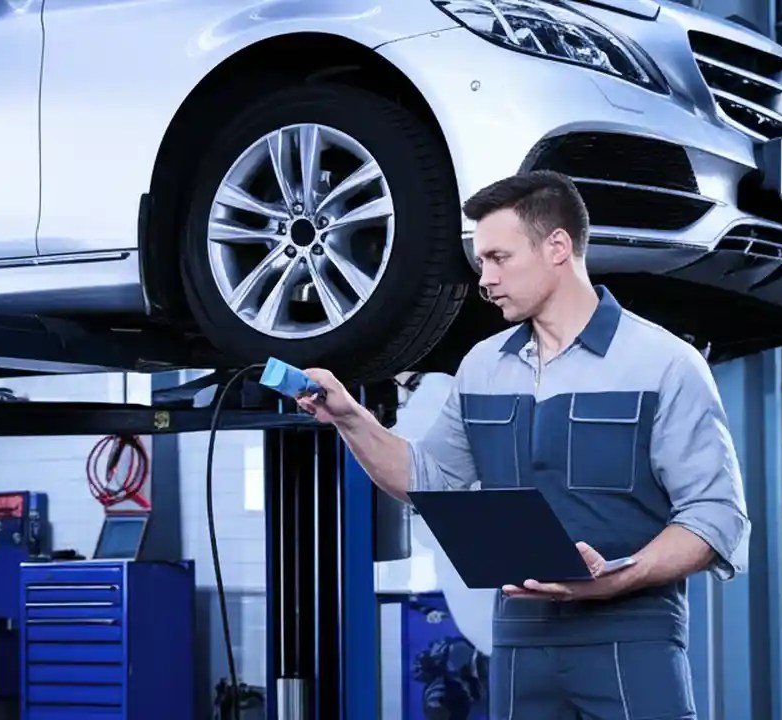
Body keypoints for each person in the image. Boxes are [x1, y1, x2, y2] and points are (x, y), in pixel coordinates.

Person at [296, 170, 751, 719]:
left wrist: (617, 579)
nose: (484, 279)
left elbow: (715, 514)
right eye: (481, 260)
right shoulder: (484, 366)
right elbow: (428, 479)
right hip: (519, 636)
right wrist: (349, 418)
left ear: (557, 246)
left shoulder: (664, 363)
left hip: (632, 632)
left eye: (498, 257)